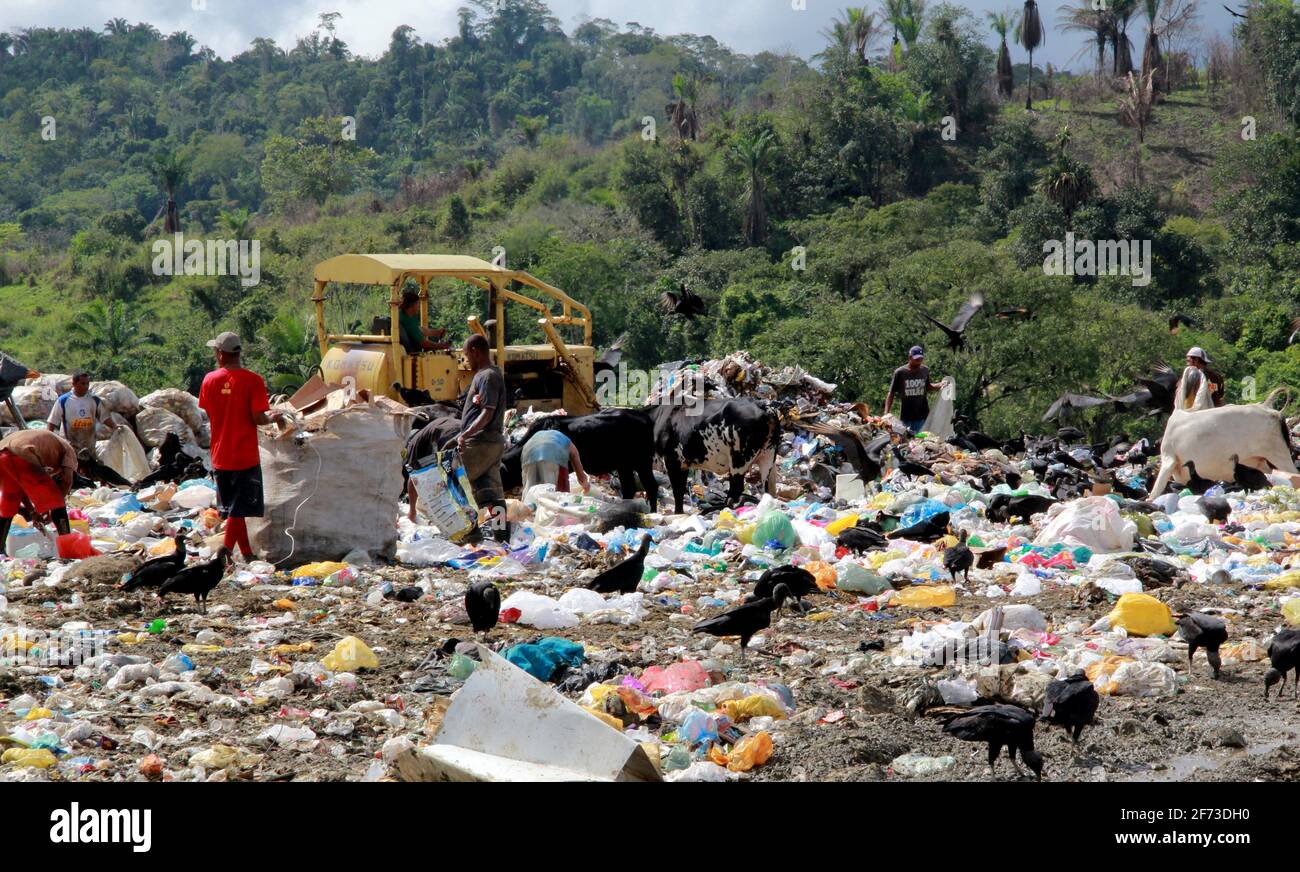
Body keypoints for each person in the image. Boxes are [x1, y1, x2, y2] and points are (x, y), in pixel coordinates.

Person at [198, 332, 286, 562]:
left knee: (235, 510)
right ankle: (225, 554)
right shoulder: (253, 380)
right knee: (238, 510)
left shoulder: (209, 380)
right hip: (245, 455)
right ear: (238, 352)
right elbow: (258, 418)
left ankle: (247, 553)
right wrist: (274, 418)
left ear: (219, 353)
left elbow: (209, 411)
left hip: (220, 454)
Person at [457, 334, 509, 542]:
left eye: (467, 354)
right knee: (493, 493)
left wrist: (465, 434)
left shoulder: (487, 376)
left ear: (475, 351)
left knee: (456, 485)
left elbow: (488, 412)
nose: (466, 359)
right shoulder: (489, 374)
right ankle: (501, 538)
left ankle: (470, 537)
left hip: (479, 442)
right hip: (490, 442)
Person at [0, 429, 77, 556]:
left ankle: (0, 551)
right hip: (23, 453)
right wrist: (55, 504)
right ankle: (68, 549)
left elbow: (22, 486)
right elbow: (67, 480)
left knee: (9, 504)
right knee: (57, 502)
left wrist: (32, 511)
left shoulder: (48, 446)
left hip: (2, 456)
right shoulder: (69, 450)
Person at [47, 371, 116, 460]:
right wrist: (49, 440)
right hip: (70, 448)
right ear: (74, 384)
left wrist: (115, 426)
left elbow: (105, 418)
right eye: (83, 383)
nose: (86, 386)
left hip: (89, 448)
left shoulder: (94, 400)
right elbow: (52, 422)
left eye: (87, 383)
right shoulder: (63, 401)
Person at [883, 346, 943, 436]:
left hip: (922, 415)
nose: (919, 361)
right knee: (906, 441)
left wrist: (940, 384)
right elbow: (891, 393)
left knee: (921, 441)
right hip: (906, 416)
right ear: (910, 357)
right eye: (916, 359)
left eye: (921, 359)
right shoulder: (900, 372)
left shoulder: (925, 370)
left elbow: (928, 386)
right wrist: (886, 412)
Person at [521, 428, 590, 495]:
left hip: (528, 454)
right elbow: (576, 459)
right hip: (553, 454)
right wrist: (584, 482)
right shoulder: (567, 442)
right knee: (554, 494)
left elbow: (525, 481)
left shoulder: (541, 436)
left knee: (531, 491)